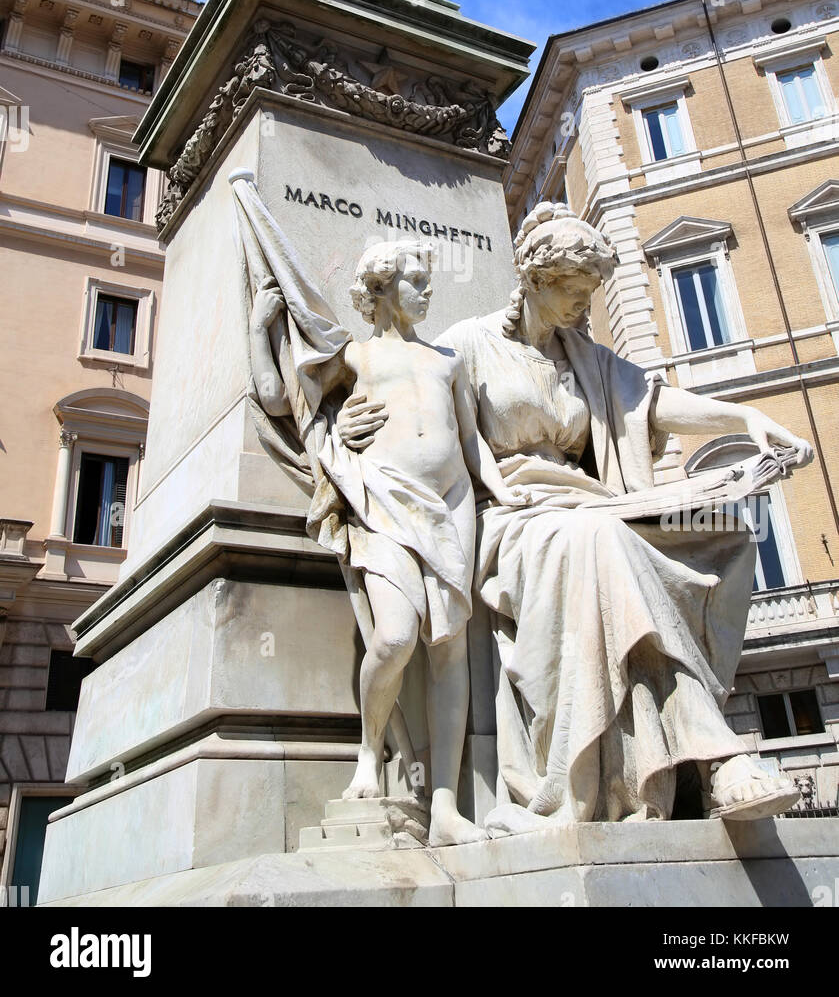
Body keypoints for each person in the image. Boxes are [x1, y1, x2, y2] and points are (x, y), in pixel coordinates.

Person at [338, 202, 811, 827]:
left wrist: (747, 418)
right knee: (601, 539)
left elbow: (653, 401)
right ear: (532, 281)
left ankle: (688, 754)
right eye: (571, 293)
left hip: (588, 505)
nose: (584, 308)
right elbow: (409, 406)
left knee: (716, 527)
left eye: (590, 293)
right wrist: (347, 427)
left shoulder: (583, 355)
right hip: (509, 512)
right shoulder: (466, 345)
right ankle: (712, 759)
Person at [248, 233, 527, 846]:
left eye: (430, 283)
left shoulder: (447, 359)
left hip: (452, 505)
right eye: (415, 282)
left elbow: (470, 437)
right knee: (396, 635)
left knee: (449, 643)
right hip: (384, 503)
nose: (428, 292)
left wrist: (501, 489)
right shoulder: (353, 359)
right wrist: (259, 328)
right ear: (379, 290)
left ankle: (448, 805)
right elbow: (280, 400)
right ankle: (370, 756)